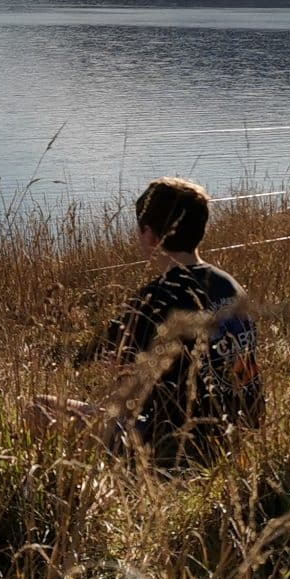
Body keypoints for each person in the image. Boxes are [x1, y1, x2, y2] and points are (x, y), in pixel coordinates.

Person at [37, 176, 264, 463]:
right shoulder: (230, 286)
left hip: (175, 446)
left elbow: (127, 394)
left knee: (37, 407)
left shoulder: (155, 299)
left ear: (150, 236)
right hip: (240, 432)